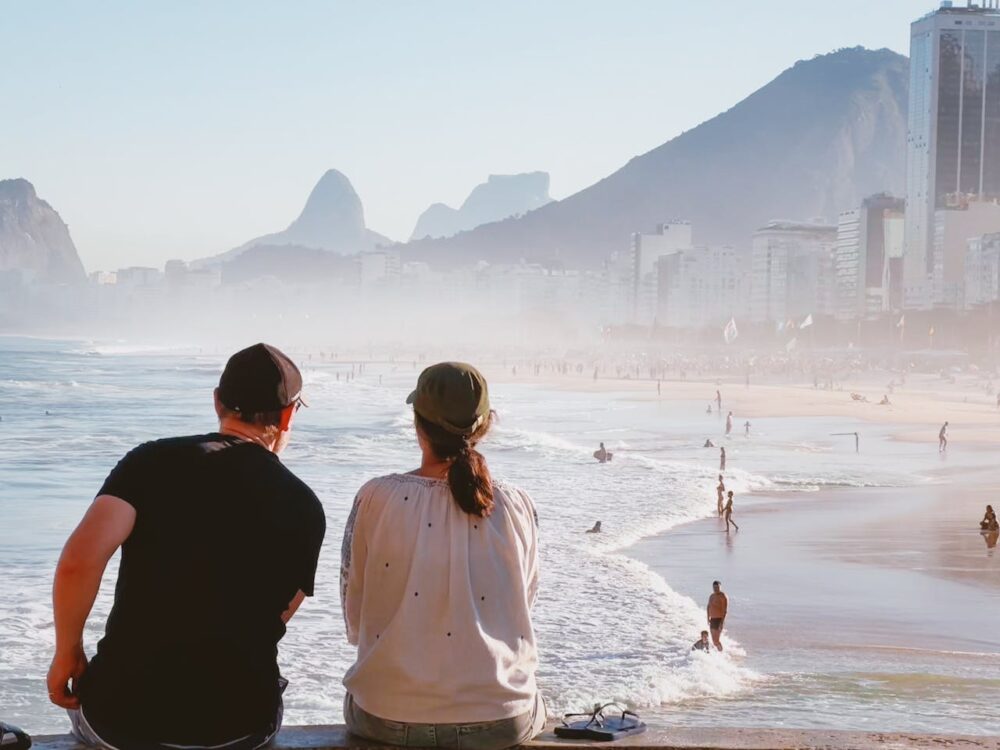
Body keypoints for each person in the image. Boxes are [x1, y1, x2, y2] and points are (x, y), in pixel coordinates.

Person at [48, 343, 325, 750]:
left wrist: (67, 651)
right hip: (239, 724)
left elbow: (79, 560)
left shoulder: (149, 463)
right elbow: (277, 616)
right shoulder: (305, 505)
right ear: (288, 416)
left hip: (121, 718)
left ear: (217, 402)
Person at [341, 362, 545, 750]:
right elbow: (525, 602)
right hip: (500, 718)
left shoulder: (375, 498)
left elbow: (355, 611)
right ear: (485, 427)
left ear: (417, 425)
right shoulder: (517, 505)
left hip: (384, 714)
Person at [707, 581, 728, 651]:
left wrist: (722, 623)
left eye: (717, 587)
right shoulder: (711, 596)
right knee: (714, 641)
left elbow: (725, 611)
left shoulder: (723, 596)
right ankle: (719, 652)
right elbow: (708, 607)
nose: (716, 589)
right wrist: (708, 618)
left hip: (719, 620)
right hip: (712, 619)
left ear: (720, 587)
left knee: (716, 640)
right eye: (714, 587)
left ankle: (722, 654)